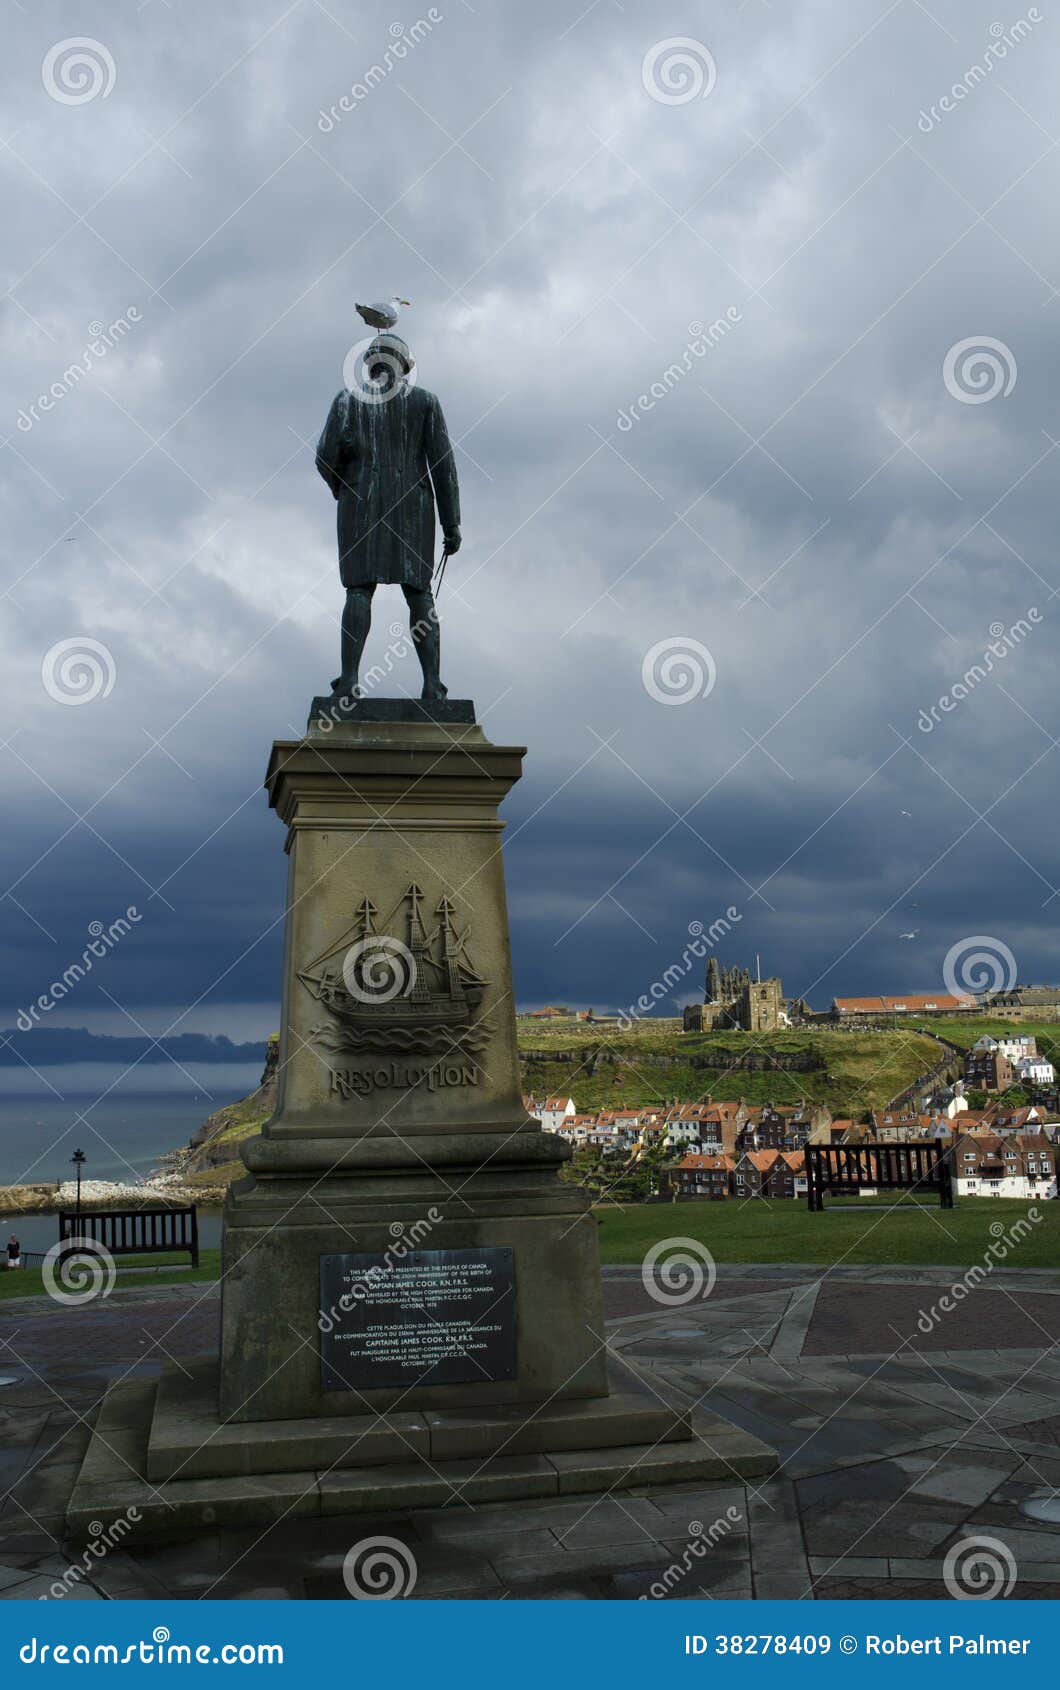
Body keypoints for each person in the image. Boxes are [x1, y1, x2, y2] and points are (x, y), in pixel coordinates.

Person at [315, 332, 461, 702]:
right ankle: (432, 685)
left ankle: (349, 680)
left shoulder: (348, 400)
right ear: (405, 366)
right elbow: (443, 467)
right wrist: (451, 522)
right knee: (420, 593)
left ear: (370, 363)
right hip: (414, 505)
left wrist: (344, 486)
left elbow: (324, 456)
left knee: (359, 591)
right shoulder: (426, 402)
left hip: (360, 503)